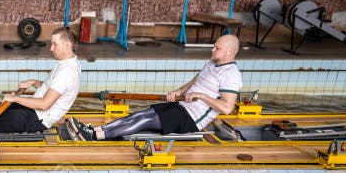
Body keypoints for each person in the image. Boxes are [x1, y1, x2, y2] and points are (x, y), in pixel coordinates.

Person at [67, 34, 242, 141]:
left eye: (217, 48)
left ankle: (95, 136)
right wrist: (179, 91)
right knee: (139, 114)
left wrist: (201, 96)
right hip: (183, 106)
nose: (212, 50)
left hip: (192, 118)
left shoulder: (231, 74)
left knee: (144, 121)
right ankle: (93, 130)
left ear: (230, 52)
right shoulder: (211, 63)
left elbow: (226, 108)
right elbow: (195, 81)